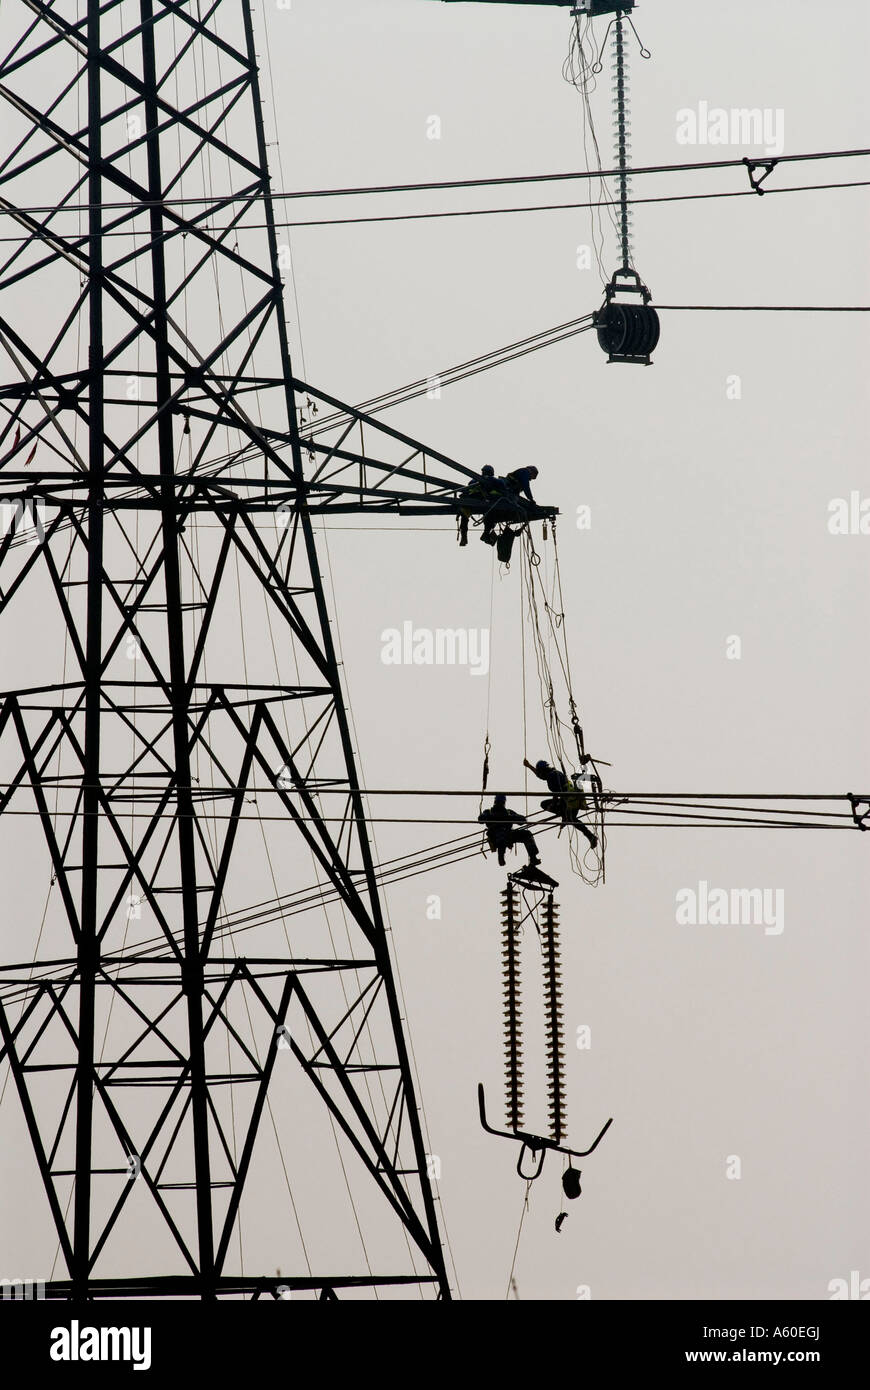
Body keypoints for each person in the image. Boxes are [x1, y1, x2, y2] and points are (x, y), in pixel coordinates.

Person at [523, 758, 598, 849]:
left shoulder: (551, 776)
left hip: (570, 800)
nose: (540, 775)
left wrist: (553, 805)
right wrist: (529, 765)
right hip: (568, 799)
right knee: (547, 805)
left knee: (570, 818)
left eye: (540, 772)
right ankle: (567, 818)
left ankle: (590, 836)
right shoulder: (552, 773)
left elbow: (557, 793)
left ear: (543, 771)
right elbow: (540, 775)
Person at [478, 794, 541, 868]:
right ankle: (501, 855)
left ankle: (533, 857)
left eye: (500, 802)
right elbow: (480, 819)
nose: (499, 804)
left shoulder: (509, 812)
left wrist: (511, 818)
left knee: (526, 834)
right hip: (495, 835)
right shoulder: (489, 812)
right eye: (498, 802)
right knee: (501, 832)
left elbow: (522, 820)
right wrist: (489, 817)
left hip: (508, 835)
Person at [458, 465, 500, 546]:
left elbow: (468, 489)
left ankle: (464, 537)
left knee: (464, 518)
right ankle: (486, 534)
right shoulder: (492, 480)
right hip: (481, 502)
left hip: (469, 502)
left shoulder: (473, 480)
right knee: (490, 515)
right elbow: (501, 485)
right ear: (491, 473)